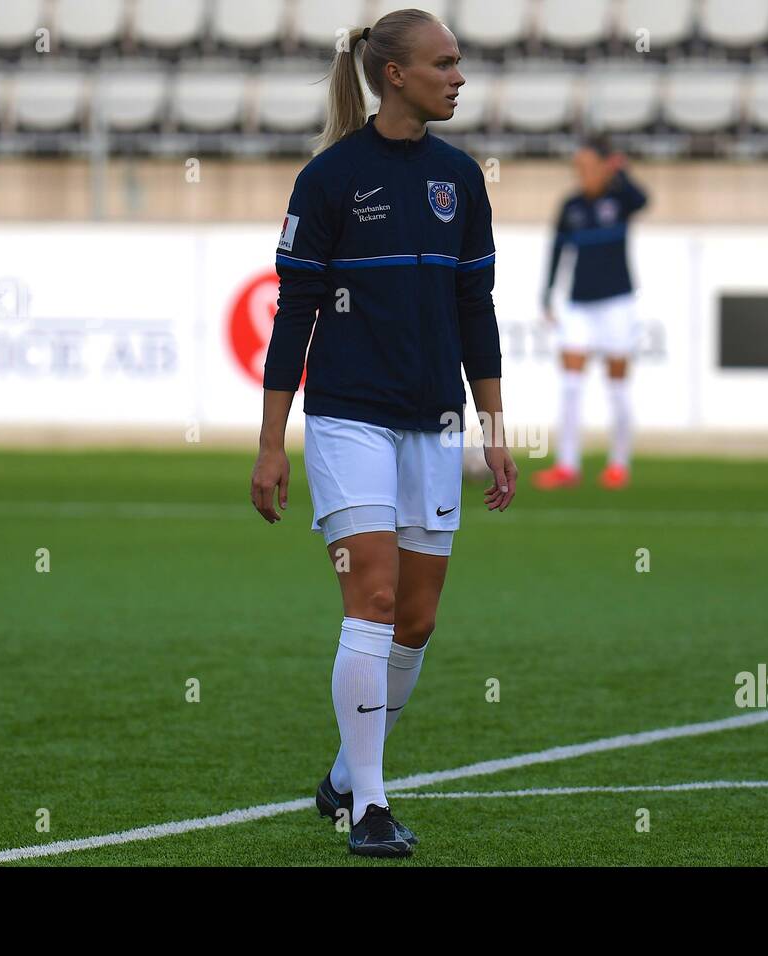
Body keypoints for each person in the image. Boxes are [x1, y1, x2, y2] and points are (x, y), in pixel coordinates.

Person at [249, 8, 516, 858]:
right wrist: (269, 440)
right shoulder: (328, 180)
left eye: (459, 63)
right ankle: (368, 808)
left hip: (434, 424)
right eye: (445, 63)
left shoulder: (461, 179)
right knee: (369, 597)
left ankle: (340, 773)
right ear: (393, 74)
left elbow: (478, 310)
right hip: (347, 417)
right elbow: (292, 315)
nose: (460, 76)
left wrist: (494, 427)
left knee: (418, 619)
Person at [534, 134, 648, 491]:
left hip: (617, 303)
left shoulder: (620, 200)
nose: (580, 173)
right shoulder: (571, 206)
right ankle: (567, 465)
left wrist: (622, 171)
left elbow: (644, 199)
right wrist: (548, 294)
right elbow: (557, 251)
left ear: (604, 166)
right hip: (578, 305)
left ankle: (619, 463)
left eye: (587, 166)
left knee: (617, 387)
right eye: (577, 167)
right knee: (570, 386)